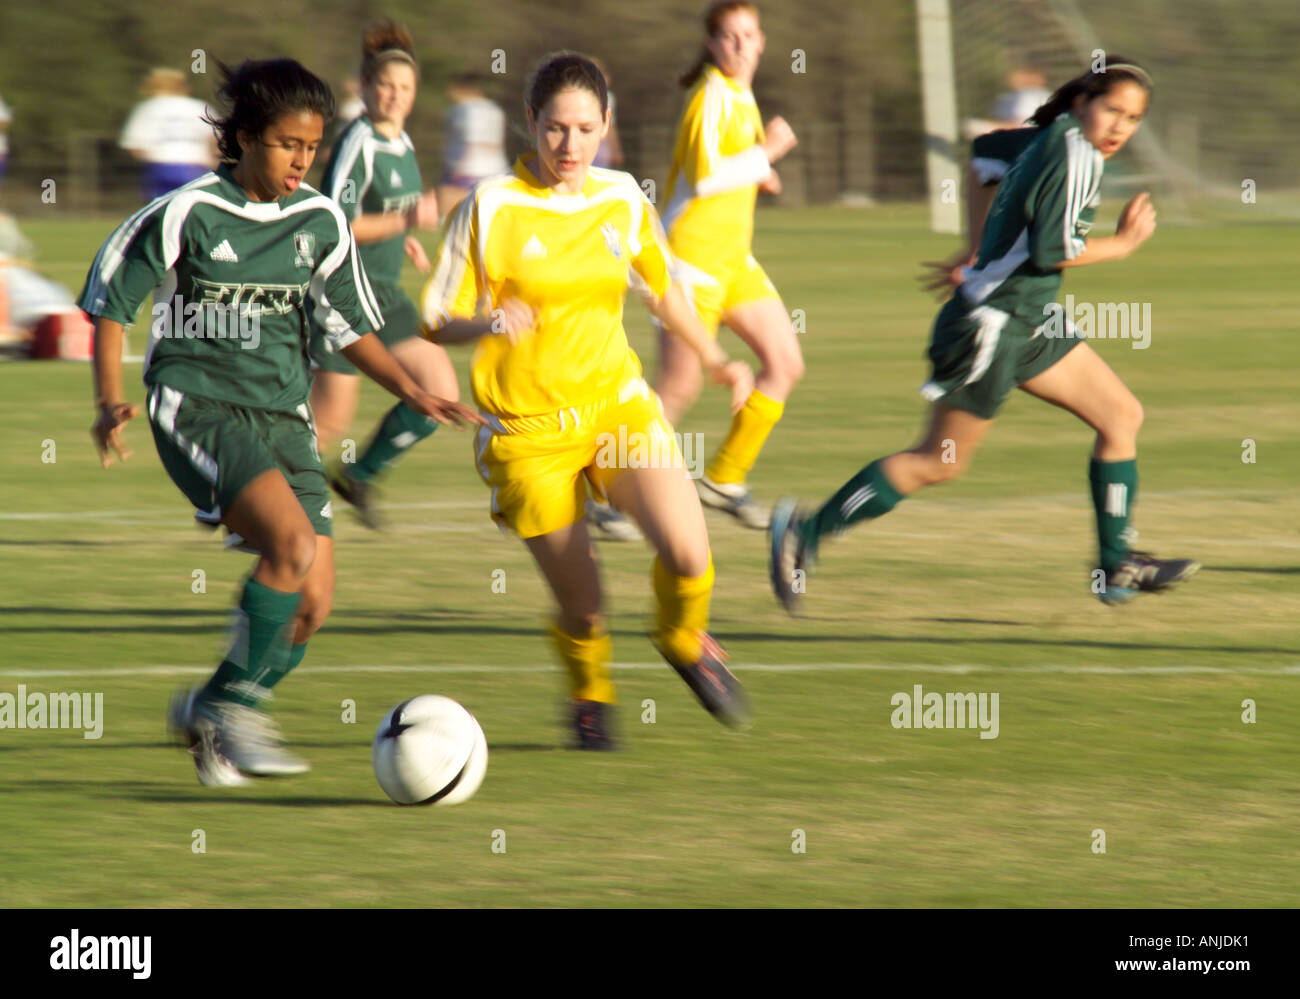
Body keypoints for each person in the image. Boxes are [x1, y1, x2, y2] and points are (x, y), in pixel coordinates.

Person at [79, 58, 480, 786]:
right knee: (290, 546)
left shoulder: (320, 220)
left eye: (313, 146)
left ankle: (205, 708)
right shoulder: (188, 212)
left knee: (313, 603)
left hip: (284, 416)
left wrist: (410, 389)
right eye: (287, 144)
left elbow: (351, 323)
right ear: (245, 139)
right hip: (196, 404)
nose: (303, 159)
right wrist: (109, 400)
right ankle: (232, 711)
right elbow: (111, 302)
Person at [770, 58, 1199, 611]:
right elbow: (1052, 251)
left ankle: (1117, 564)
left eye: (1133, 118)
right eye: (1112, 109)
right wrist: (1123, 244)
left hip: (1030, 320)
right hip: (992, 329)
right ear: (1081, 103)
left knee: (1121, 417)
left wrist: (977, 249)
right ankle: (801, 532)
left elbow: (981, 158)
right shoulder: (1076, 156)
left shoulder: (1050, 137)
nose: (1120, 126)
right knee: (938, 461)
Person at [421, 51, 756, 749]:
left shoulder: (622, 198)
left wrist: (719, 358)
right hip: (526, 433)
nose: (569, 145)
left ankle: (680, 635)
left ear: (605, 124)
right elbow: (435, 319)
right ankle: (591, 690)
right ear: (531, 124)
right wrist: (486, 322)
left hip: (614, 409)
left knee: (691, 554)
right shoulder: (490, 206)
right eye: (554, 129)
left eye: (583, 128)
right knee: (586, 606)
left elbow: (665, 289)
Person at [636, 0, 802, 536]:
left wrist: (759, 174)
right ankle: (607, 489)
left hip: (734, 262)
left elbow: (723, 171)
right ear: (711, 44)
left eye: (748, 35)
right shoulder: (708, 94)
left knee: (784, 363)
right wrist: (768, 154)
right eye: (728, 36)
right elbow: (705, 179)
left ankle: (725, 480)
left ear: (761, 41)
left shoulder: (739, 95)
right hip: (689, 264)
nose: (739, 44)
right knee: (679, 389)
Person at [308, 21, 456, 528]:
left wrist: (403, 238)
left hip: (385, 293)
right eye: (385, 87)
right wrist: (406, 221)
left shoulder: (403, 144)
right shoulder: (360, 140)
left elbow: (385, 211)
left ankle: (359, 475)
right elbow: (336, 220)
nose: (395, 96)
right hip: (343, 293)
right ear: (367, 88)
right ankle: (248, 495)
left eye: (405, 88)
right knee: (326, 421)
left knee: (439, 391)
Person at [118, 68, 218, 202]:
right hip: (196, 166)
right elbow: (214, 140)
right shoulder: (199, 107)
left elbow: (135, 148)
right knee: (193, 210)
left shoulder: (147, 108)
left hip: (160, 165)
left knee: (159, 211)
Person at [436, 73, 508, 218]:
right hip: (496, 172)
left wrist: (455, 171)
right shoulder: (495, 110)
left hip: (466, 173)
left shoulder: (464, 110)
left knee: (449, 219)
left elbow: (471, 142)